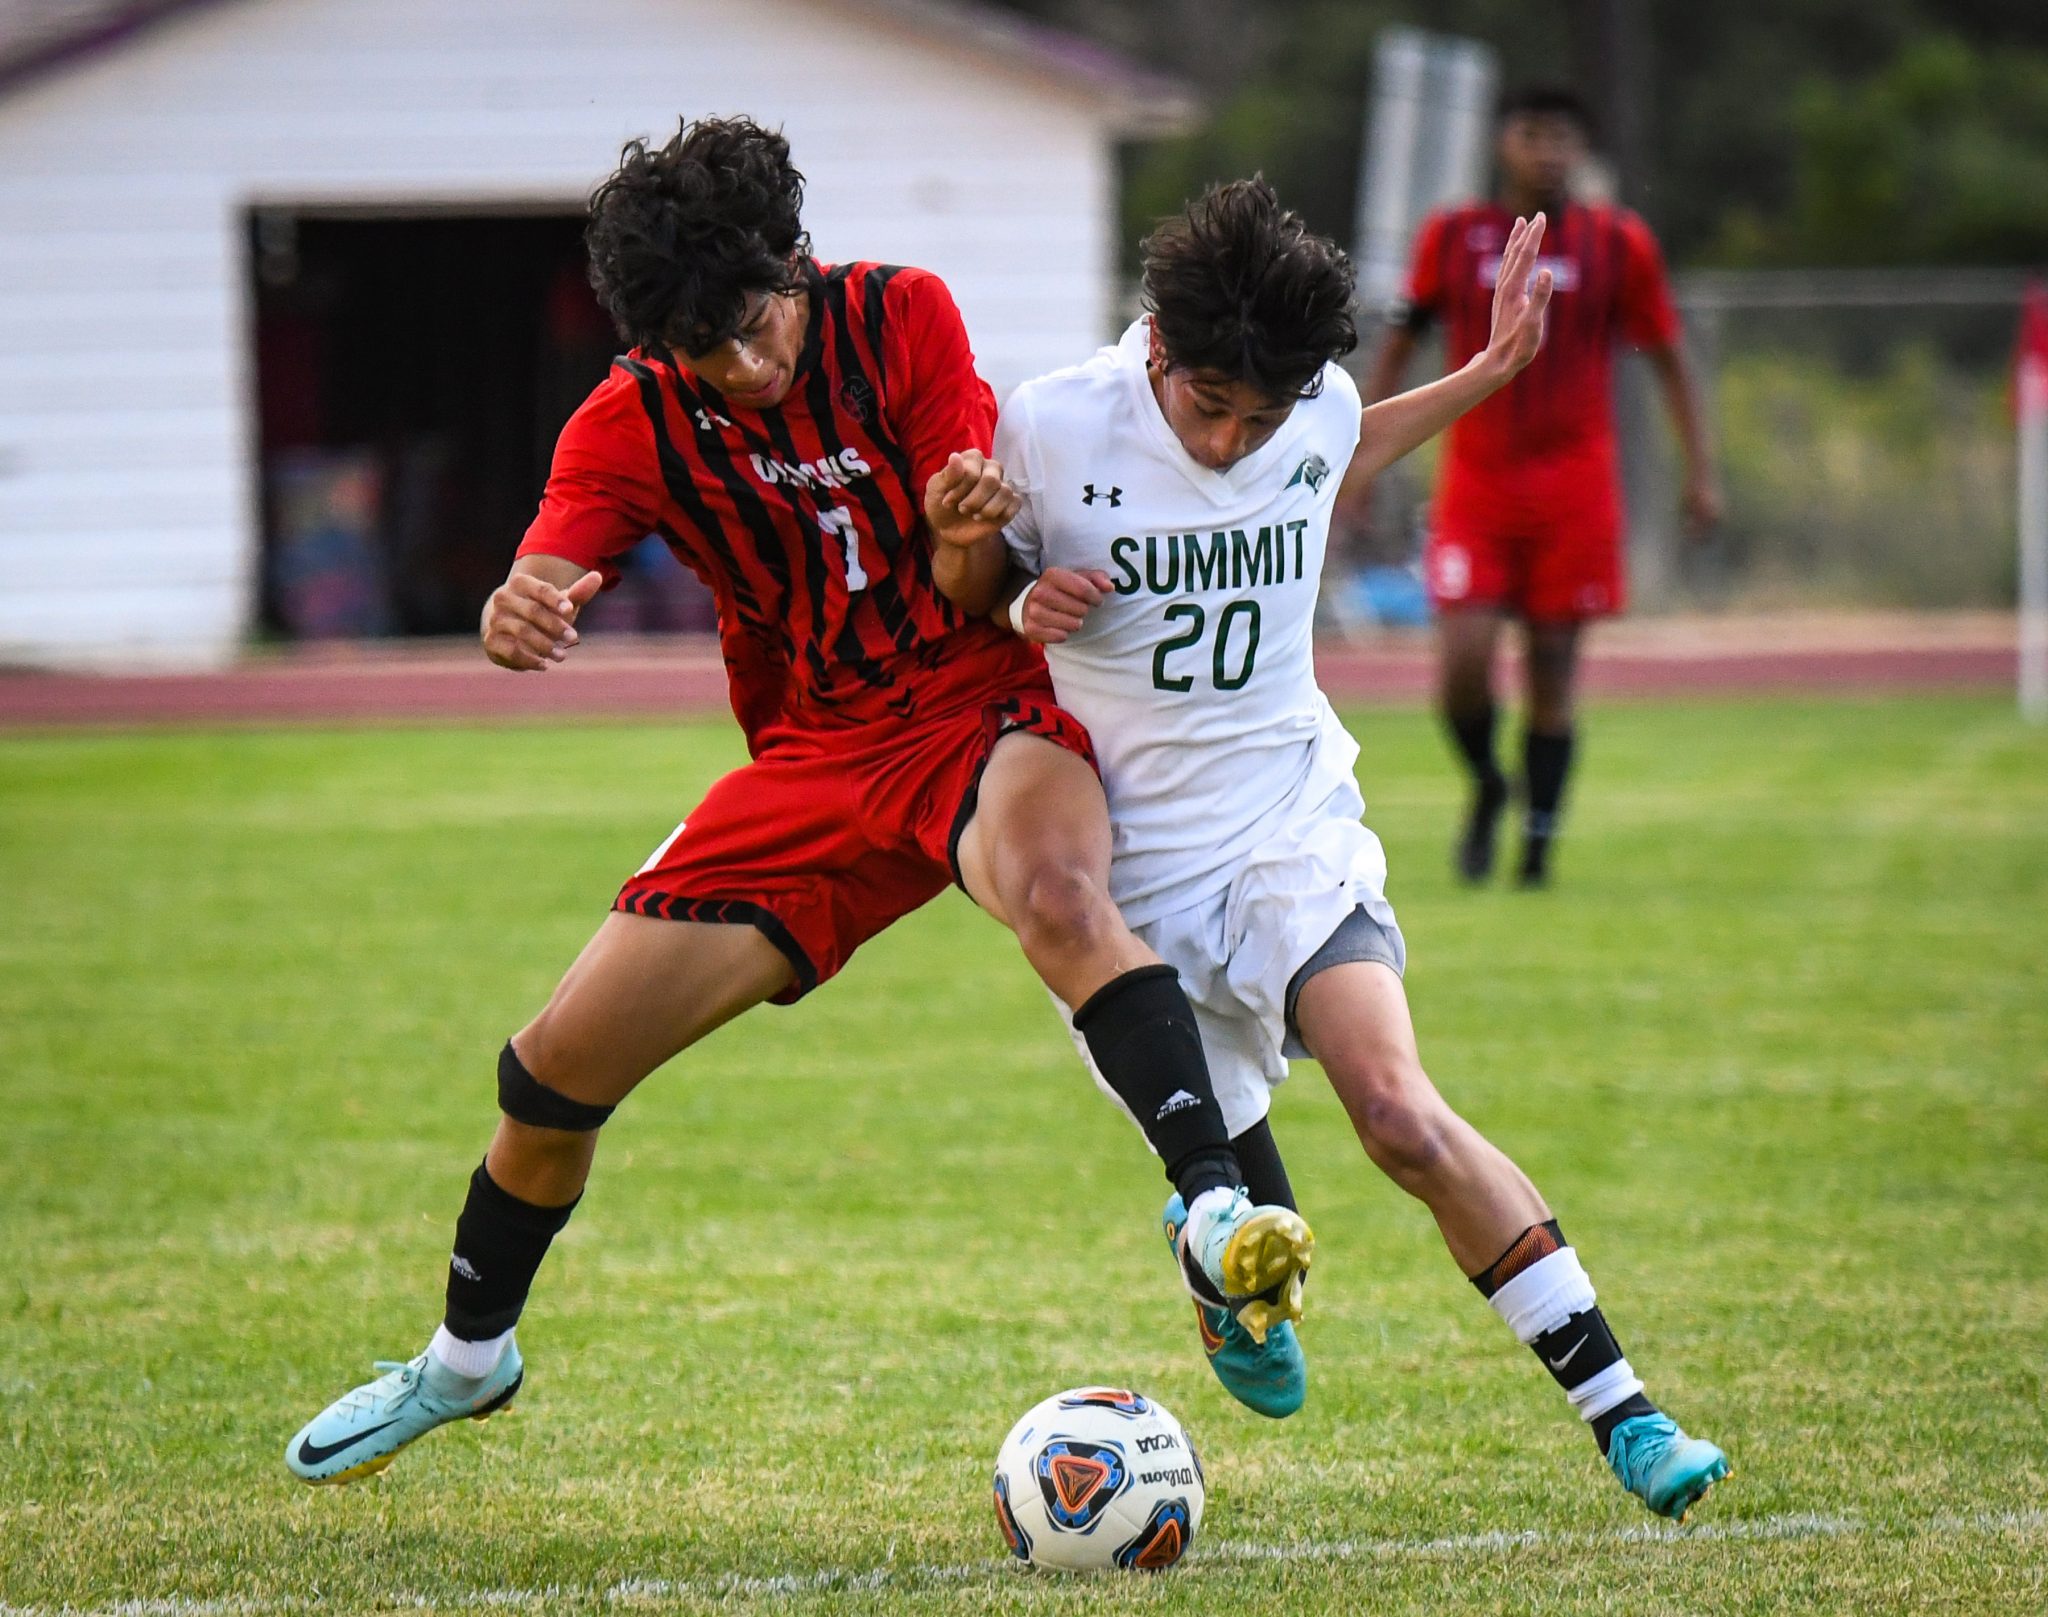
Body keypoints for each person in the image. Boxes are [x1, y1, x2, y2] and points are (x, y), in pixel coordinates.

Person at [283, 118, 1307, 1485]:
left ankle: (1214, 1221)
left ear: (798, 264)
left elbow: (972, 570)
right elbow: (551, 553)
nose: (750, 365)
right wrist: (516, 602)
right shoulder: (634, 414)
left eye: (760, 323)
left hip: (972, 711)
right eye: (708, 348)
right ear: (658, 343)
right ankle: (467, 1361)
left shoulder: (901, 317)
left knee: (1062, 897)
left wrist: (961, 523)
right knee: (548, 1072)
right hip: (813, 763)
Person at [941, 177, 1728, 1520]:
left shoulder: (1301, 411)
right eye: (1211, 411)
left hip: (1290, 829)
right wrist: (1009, 586)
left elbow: (1345, 447)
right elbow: (968, 587)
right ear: (1156, 346)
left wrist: (1487, 370)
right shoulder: (1053, 418)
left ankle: (1628, 1415)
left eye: (1265, 415)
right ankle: (1222, 1273)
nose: (1241, 440)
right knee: (1255, 1238)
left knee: (1401, 1114)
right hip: (1129, 891)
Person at [1360, 86, 1720, 886]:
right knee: (1463, 663)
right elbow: (1403, 340)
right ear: (1501, 144)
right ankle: (1490, 782)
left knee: (1554, 669)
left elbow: (1668, 355)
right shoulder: (1452, 236)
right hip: (1479, 484)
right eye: (1531, 134)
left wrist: (1701, 472)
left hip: (1576, 484)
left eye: (1563, 137)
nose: (1547, 151)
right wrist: (1359, 459)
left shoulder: (1617, 241)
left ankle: (1536, 848)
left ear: (1581, 151)